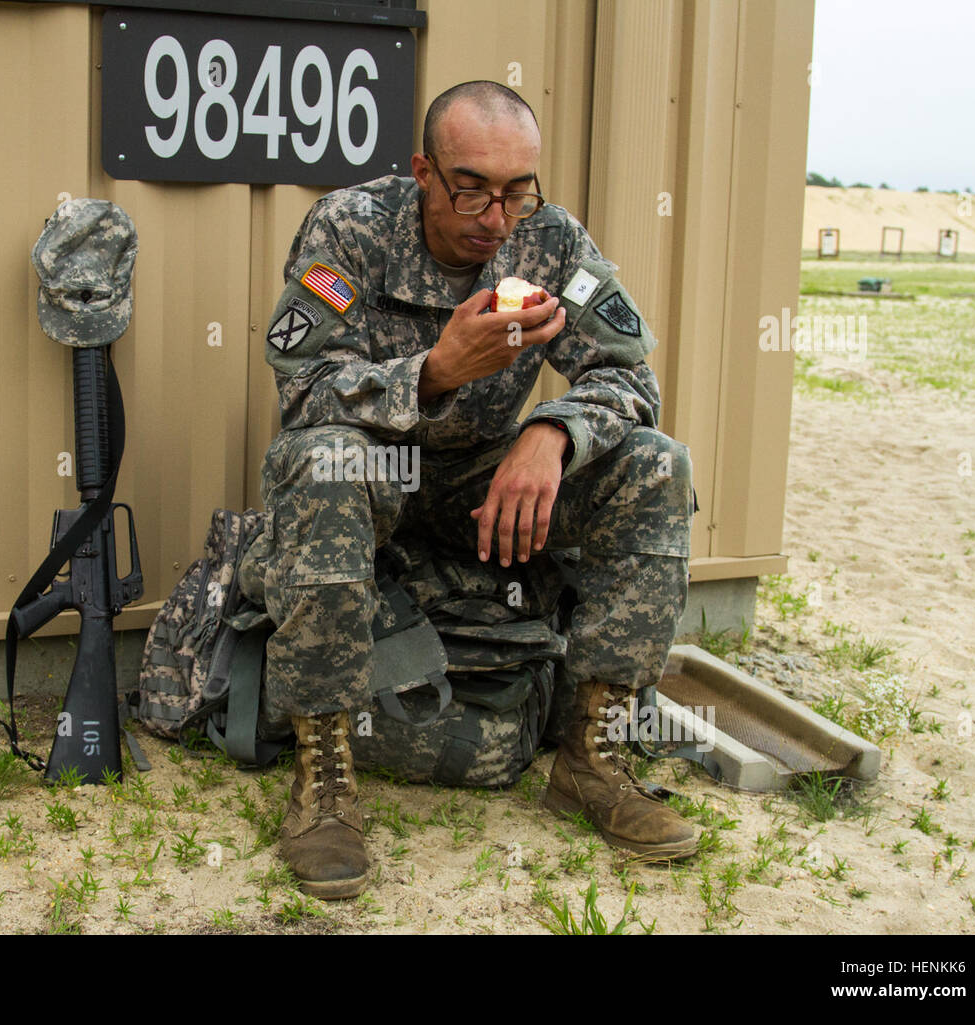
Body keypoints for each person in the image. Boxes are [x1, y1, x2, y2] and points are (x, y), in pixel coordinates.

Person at [246, 81, 697, 899]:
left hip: (482, 482)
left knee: (656, 463)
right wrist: (434, 373)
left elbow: (630, 375)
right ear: (423, 172)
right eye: (472, 188)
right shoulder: (350, 230)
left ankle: (593, 759)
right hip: (376, 470)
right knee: (324, 461)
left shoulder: (551, 242)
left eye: (517, 190)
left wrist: (552, 431)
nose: (497, 216)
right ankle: (324, 781)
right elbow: (301, 388)